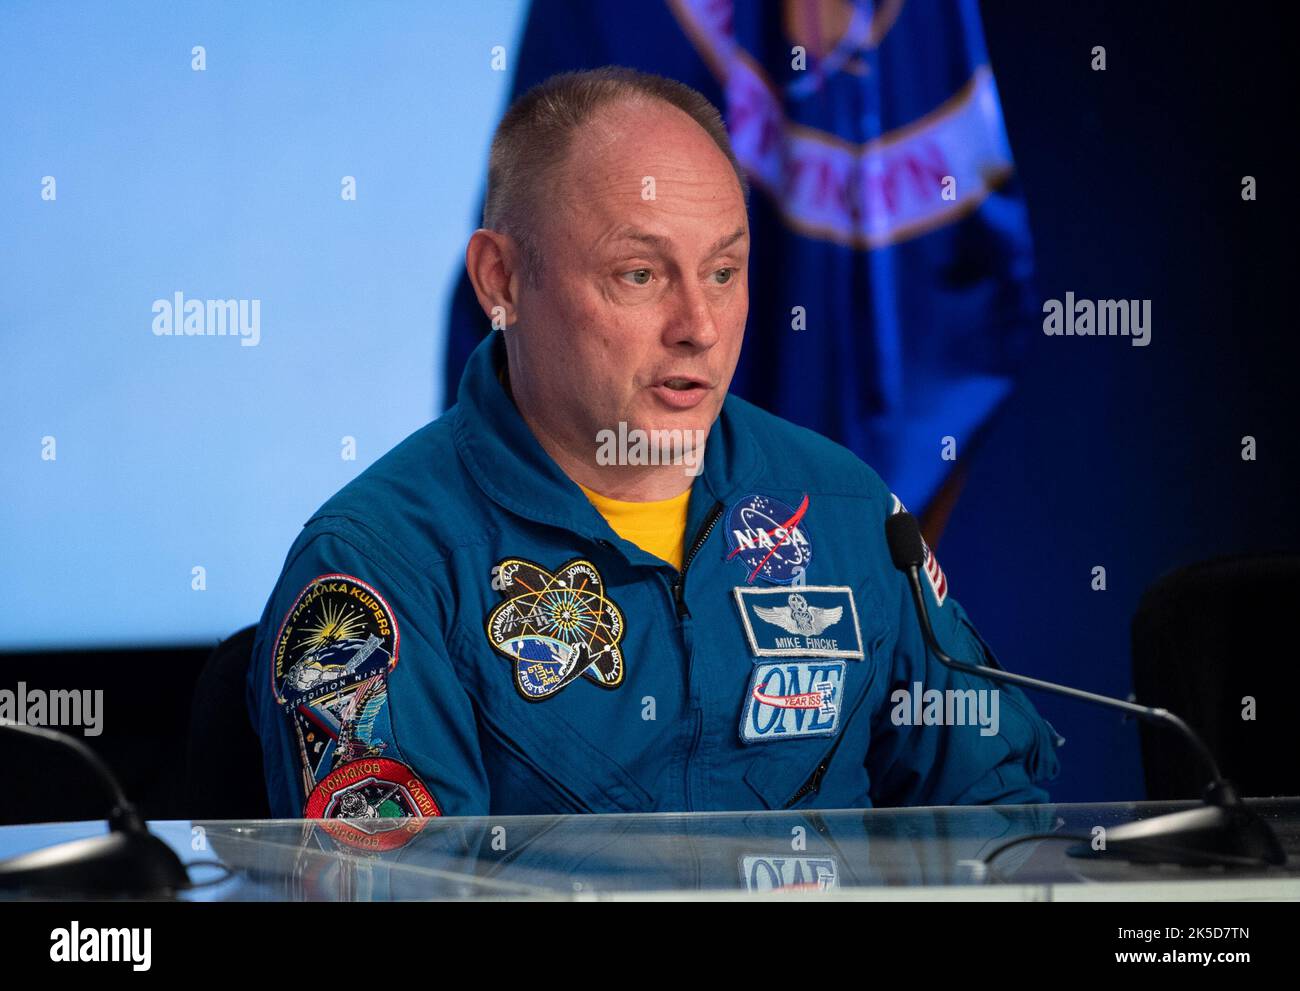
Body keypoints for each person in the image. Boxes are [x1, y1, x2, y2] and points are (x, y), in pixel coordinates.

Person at [247, 66, 1061, 822]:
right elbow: (397, 890)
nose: (698, 328)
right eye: (639, 275)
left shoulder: (845, 513)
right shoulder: (375, 567)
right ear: (501, 281)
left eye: (722, 272)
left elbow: (998, 814)